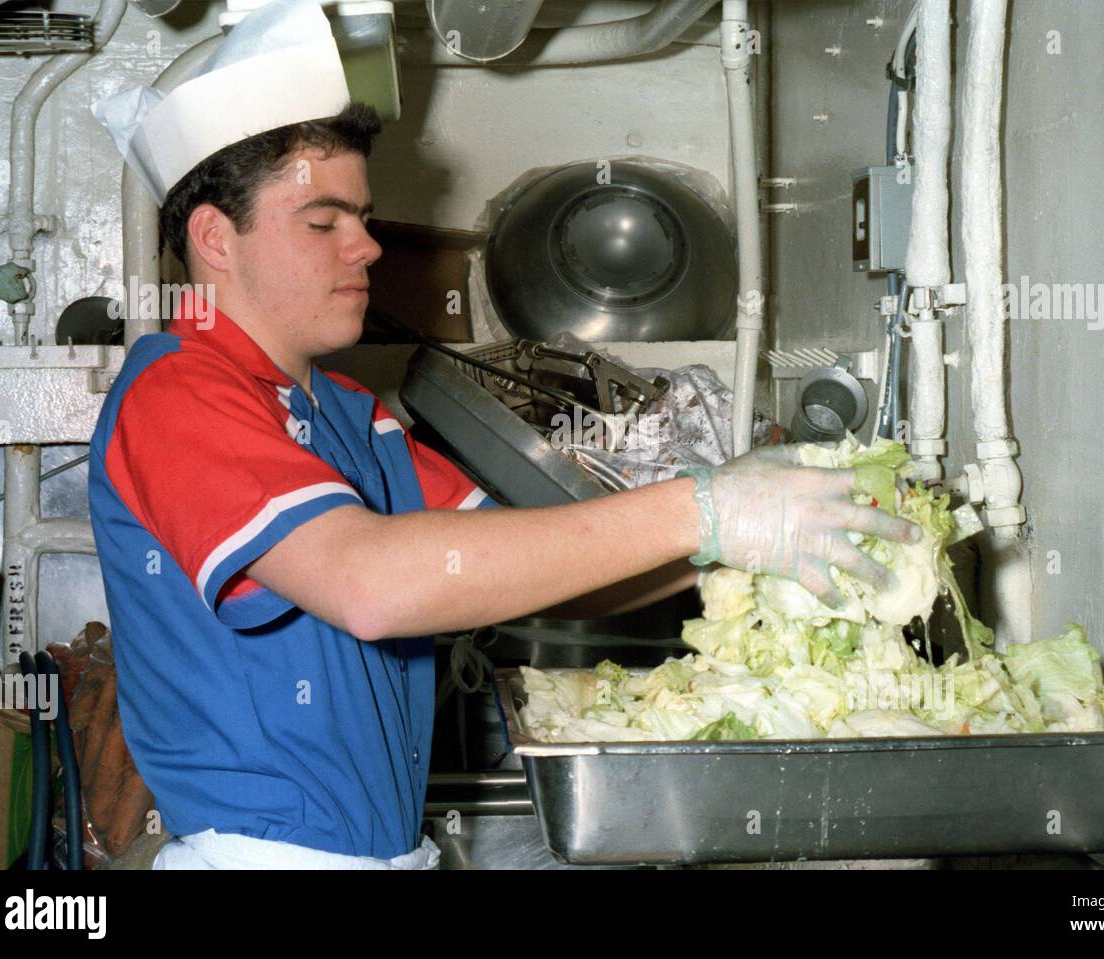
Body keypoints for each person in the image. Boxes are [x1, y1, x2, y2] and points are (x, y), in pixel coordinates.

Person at [88, 0, 918, 870]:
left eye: (364, 218)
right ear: (216, 239)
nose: (368, 248)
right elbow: (368, 583)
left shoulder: (345, 412)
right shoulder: (174, 389)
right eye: (324, 222)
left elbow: (537, 570)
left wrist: (751, 533)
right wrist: (705, 511)